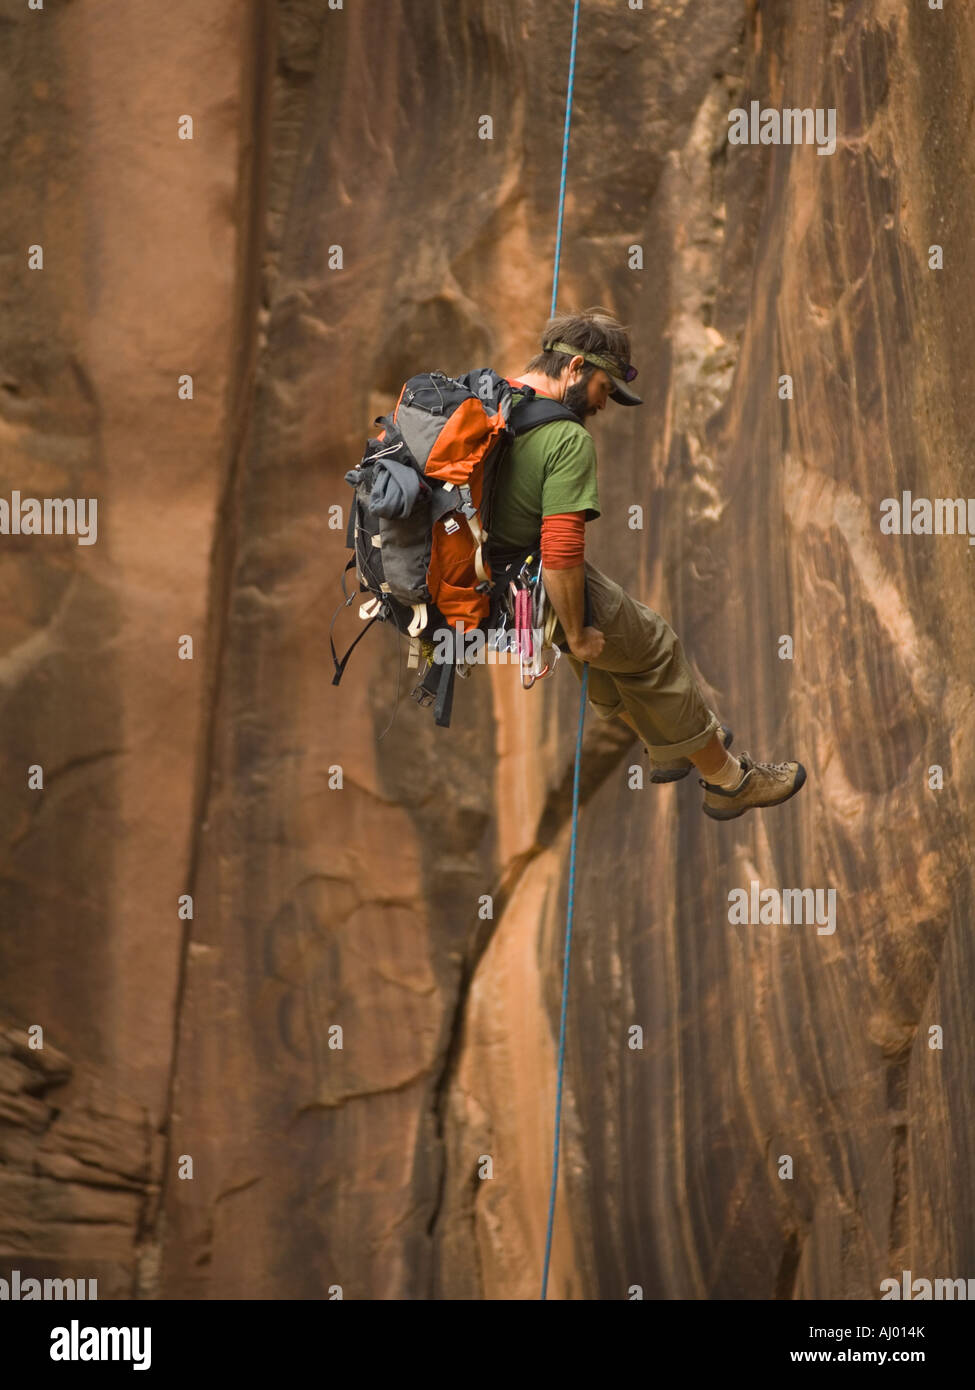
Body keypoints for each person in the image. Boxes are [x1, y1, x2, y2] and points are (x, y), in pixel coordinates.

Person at [485, 308, 805, 820]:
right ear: (574, 368)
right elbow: (562, 550)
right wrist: (577, 631)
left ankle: (672, 741)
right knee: (653, 646)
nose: (602, 404)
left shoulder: (491, 400)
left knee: (612, 655)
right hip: (526, 580)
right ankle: (728, 782)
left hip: (475, 583)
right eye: (603, 388)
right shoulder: (565, 437)